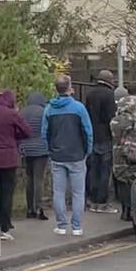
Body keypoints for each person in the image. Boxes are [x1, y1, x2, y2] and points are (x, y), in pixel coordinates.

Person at [0, 89, 32, 240]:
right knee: (7, 193)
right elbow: (27, 132)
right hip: (8, 158)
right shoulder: (12, 114)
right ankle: (5, 227)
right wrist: (14, 135)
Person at [44, 75, 93, 237]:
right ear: (70, 87)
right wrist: (87, 150)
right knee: (78, 193)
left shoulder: (49, 109)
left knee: (58, 192)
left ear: (56, 88)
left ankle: (61, 225)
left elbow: (44, 133)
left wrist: (49, 151)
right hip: (77, 155)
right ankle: (77, 226)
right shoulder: (79, 108)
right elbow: (88, 131)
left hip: (57, 156)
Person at [111, 94, 136, 221]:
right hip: (133, 154)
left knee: (122, 181)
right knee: (132, 181)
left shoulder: (114, 120)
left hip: (117, 154)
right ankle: (132, 210)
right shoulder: (134, 120)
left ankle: (125, 211)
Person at [84, 71, 119, 213]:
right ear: (109, 81)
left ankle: (91, 200)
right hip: (105, 137)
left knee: (92, 169)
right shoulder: (110, 95)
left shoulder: (89, 93)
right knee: (105, 170)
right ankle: (102, 202)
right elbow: (110, 117)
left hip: (92, 136)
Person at [19, 91, 51, 220]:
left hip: (26, 149)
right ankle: (39, 208)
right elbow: (48, 130)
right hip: (41, 149)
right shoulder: (44, 112)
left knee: (29, 179)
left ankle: (30, 209)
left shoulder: (22, 112)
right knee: (39, 179)